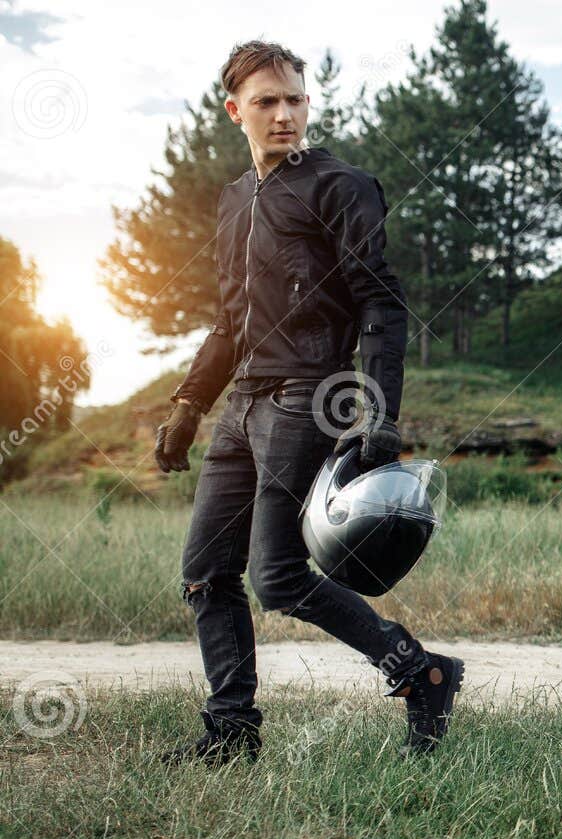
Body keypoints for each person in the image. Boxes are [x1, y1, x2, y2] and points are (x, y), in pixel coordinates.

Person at [152, 40, 463, 764]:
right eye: (266, 102)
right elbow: (230, 324)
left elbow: (382, 306)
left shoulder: (341, 186)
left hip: (307, 397)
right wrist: (189, 404)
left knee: (278, 575)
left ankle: (422, 673)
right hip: (244, 403)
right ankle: (230, 731)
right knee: (204, 571)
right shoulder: (233, 201)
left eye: (295, 99)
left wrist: (380, 414)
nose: (284, 114)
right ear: (236, 111)